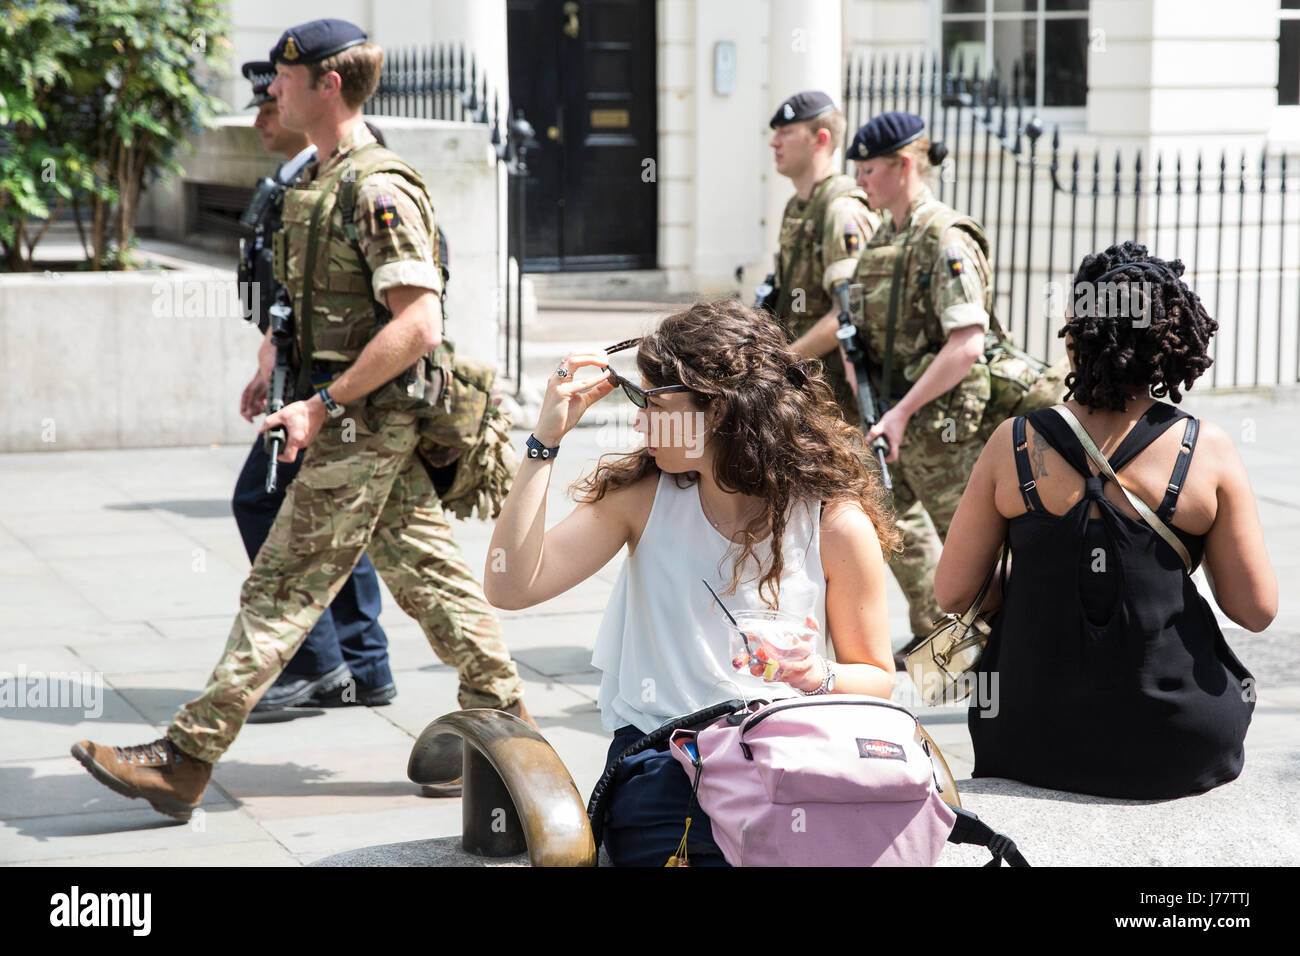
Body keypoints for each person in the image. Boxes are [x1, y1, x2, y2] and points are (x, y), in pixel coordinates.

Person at [72, 18, 533, 820]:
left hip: (366, 419)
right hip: (352, 411)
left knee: (282, 586)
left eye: (287, 76)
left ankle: (185, 757)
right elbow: (307, 303)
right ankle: (512, 731)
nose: (272, 88)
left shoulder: (377, 186)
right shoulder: (317, 179)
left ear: (329, 84)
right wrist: (273, 365)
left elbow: (418, 322)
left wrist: (323, 404)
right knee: (433, 581)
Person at [483, 299, 900, 866]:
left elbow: (878, 677)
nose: (637, 419)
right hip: (664, 759)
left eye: (652, 402)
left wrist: (818, 673)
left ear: (720, 411)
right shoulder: (644, 497)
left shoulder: (833, 522)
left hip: (786, 754)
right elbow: (511, 587)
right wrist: (544, 443)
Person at [935, 241, 1277, 799]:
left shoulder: (1013, 443)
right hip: (1176, 739)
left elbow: (952, 592)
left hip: (1027, 735)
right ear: (1167, 344)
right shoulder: (1206, 449)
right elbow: (1255, 610)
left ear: (1077, 337)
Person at [232, 59, 395, 712]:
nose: (263, 115)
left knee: (264, 501)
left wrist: (331, 395)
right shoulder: (301, 178)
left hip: (341, 386)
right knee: (337, 521)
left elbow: (414, 304)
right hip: (310, 375)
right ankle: (361, 665)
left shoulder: (364, 176)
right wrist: (272, 352)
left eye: (271, 103)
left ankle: (321, 661)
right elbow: (287, 288)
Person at [813, 111, 992, 663]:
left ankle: (1012, 664)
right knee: (896, 541)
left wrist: (903, 412)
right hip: (894, 422)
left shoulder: (945, 237)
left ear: (904, 164)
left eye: (869, 170)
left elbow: (967, 342)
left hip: (943, 429)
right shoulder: (883, 236)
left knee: (979, 561)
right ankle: (952, 664)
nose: (860, 181)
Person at [766, 90, 881, 427]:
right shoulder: (797, 206)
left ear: (821, 138)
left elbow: (848, 312)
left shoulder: (841, 209)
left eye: (786, 132)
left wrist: (783, 361)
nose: (774, 142)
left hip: (837, 405)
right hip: (806, 390)